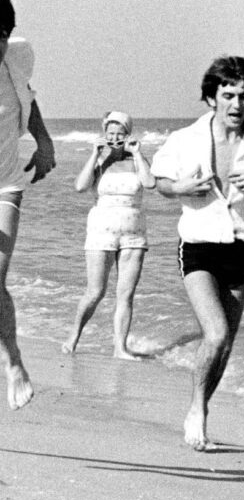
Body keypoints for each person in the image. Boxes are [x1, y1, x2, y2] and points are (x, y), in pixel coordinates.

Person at [151, 56, 244, 450]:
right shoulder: (186, 139)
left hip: (239, 243)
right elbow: (160, 182)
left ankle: (201, 407)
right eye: (228, 95)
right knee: (214, 333)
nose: (236, 104)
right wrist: (181, 189)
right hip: (197, 243)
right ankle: (196, 409)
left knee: (226, 343)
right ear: (211, 98)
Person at [0, 0, 56, 410]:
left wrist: (44, 140)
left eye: (1, 36)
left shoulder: (17, 57)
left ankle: (12, 362)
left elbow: (28, 98)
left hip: (4, 184)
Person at [62, 112, 155, 358]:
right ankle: (74, 335)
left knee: (125, 294)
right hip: (101, 230)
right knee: (96, 291)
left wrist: (136, 153)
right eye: (110, 134)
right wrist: (95, 153)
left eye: (119, 134)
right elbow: (81, 186)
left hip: (134, 233)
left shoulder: (137, 159)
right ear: (104, 134)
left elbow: (150, 183)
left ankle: (120, 348)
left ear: (128, 135)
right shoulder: (98, 160)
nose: (114, 138)